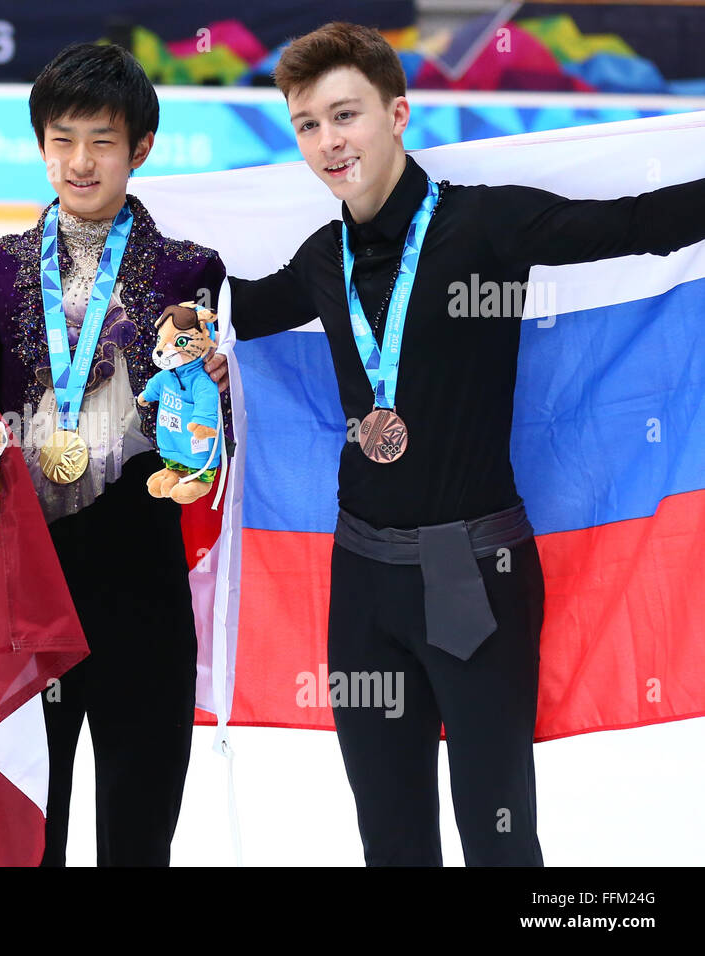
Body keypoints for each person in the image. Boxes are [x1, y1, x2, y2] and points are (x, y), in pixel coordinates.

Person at [195, 21, 705, 865]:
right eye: (308, 125)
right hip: (362, 588)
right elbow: (223, 306)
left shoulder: (485, 228)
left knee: (498, 840)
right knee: (392, 841)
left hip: (476, 579)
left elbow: (638, 224)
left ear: (398, 114)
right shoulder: (323, 261)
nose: (329, 142)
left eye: (345, 115)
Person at [0, 42, 227, 866]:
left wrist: (212, 390)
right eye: (62, 140)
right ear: (40, 145)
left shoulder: (190, 269)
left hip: (143, 590)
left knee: (137, 842)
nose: (80, 162)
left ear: (139, 149)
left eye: (102, 141)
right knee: (28, 836)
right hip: (30, 590)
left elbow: (210, 442)